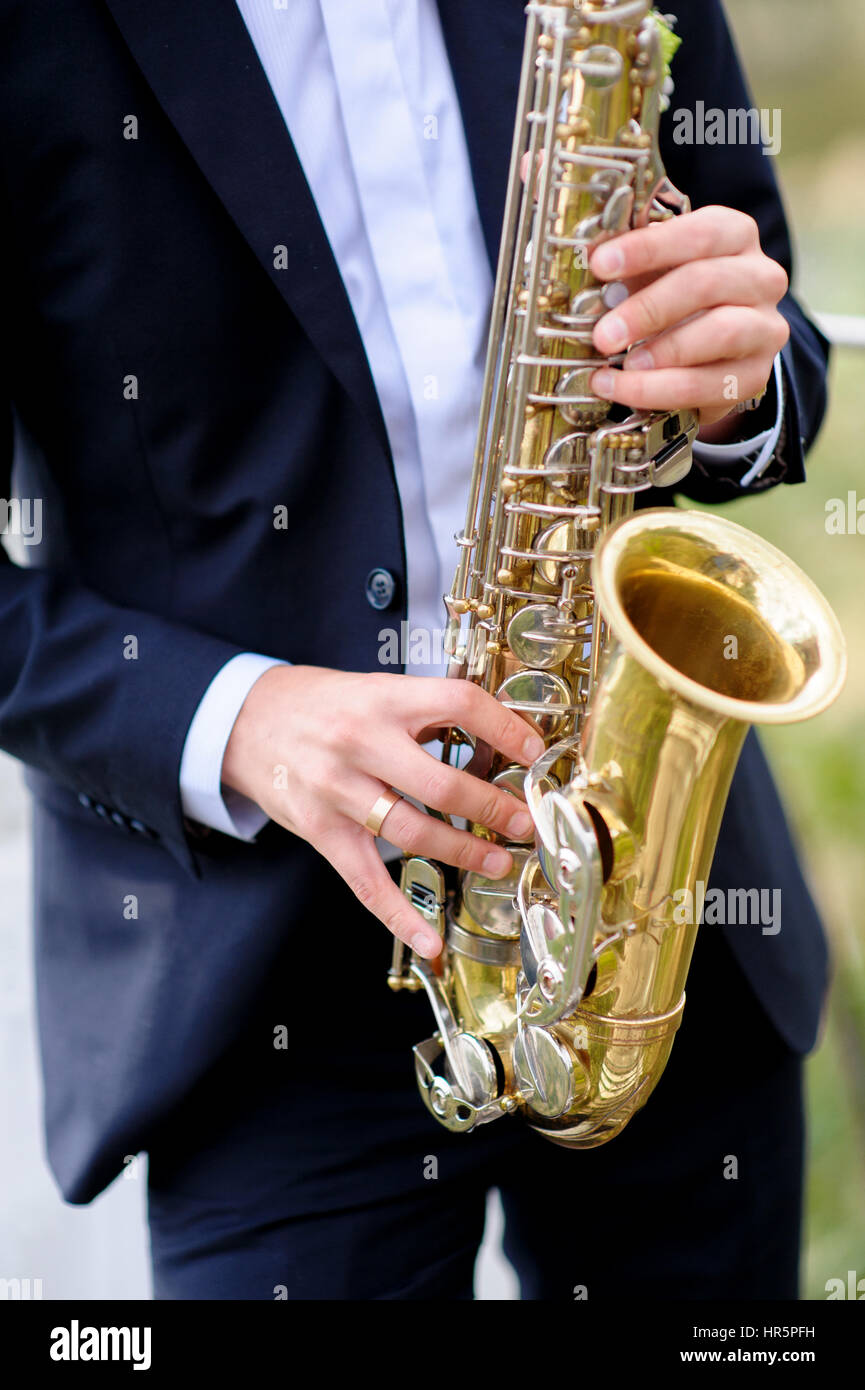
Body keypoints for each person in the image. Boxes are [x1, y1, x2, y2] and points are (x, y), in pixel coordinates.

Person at [0, 0, 829, 1299]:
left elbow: (772, 326)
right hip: (263, 975)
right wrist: (236, 719)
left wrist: (729, 382)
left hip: (655, 933)